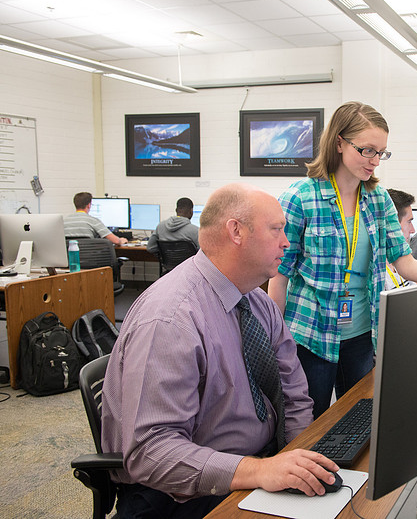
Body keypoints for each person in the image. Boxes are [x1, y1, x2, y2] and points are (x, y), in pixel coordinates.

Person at [101, 183, 338, 518]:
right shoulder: (170, 320)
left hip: (259, 464)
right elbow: (151, 452)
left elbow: (293, 391)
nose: (286, 242)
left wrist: (300, 456)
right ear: (236, 231)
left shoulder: (256, 300)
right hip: (183, 492)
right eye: (277, 230)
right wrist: (259, 471)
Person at [268, 102, 417, 419]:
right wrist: (277, 343)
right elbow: (279, 275)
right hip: (310, 335)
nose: (375, 162)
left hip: (360, 334)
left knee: (358, 422)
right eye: (367, 150)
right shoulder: (301, 196)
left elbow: (404, 262)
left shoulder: (378, 199)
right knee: (306, 425)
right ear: (339, 142)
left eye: (381, 153)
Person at [63, 192, 128, 245]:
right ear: (89, 205)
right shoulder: (93, 220)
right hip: (90, 258)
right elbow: (115, 241)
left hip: (71, 259)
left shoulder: (64, 221)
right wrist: (121, 240)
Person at [386, 188, 417, 289]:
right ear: (393, 224)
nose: (413, 230)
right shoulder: (377, 273)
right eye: (409, 222)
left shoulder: (400, 261)